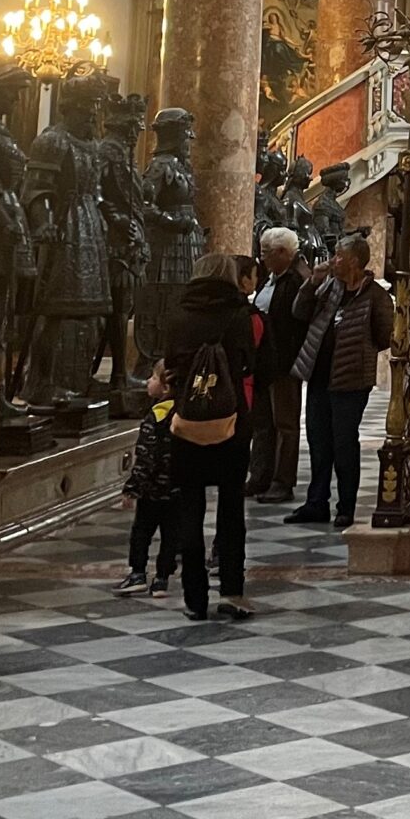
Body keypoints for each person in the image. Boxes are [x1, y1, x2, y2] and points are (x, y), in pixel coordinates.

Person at [161, 252, 256, 621]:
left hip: (187, 423)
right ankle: (231, 591)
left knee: (190, 508)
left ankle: (194, 598)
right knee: (232, 509)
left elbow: (170, 363)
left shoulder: (179, 313)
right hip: (230, 422)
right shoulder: (237, 313)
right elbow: (248, 361)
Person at [285, 235, 394, 528]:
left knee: (344, 444)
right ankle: (315, 503)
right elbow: (300, 312)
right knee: (319, 443)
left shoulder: (375, 296)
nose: (333, 260)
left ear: (354, 261)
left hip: (351, 381)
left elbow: (385, 337)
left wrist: (357, 350)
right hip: (320, 376)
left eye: (338, 256)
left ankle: (345, 506)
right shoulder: (329, 286)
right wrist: (311, 284)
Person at [245, 227, 308, 504]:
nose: (262, 258)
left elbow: (296, 323)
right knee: (263, 423)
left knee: (285, 424)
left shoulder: (296, 280)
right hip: (264, 363)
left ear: (283, 253)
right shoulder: (272, 277)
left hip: (284, 363)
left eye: (266, 253)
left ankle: (282, 481)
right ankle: (260, 475)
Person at [115, 361, 178, 598]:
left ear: (165, 388)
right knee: (171, 535)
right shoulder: (184, 411)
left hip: (152, 490)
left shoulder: (157, 415)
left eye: (152, 378)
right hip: (176, 490)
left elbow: (146, 456)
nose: (148, 382)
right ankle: (162, 579)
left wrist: (133, 488)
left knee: (142, 532)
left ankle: (138, 574)